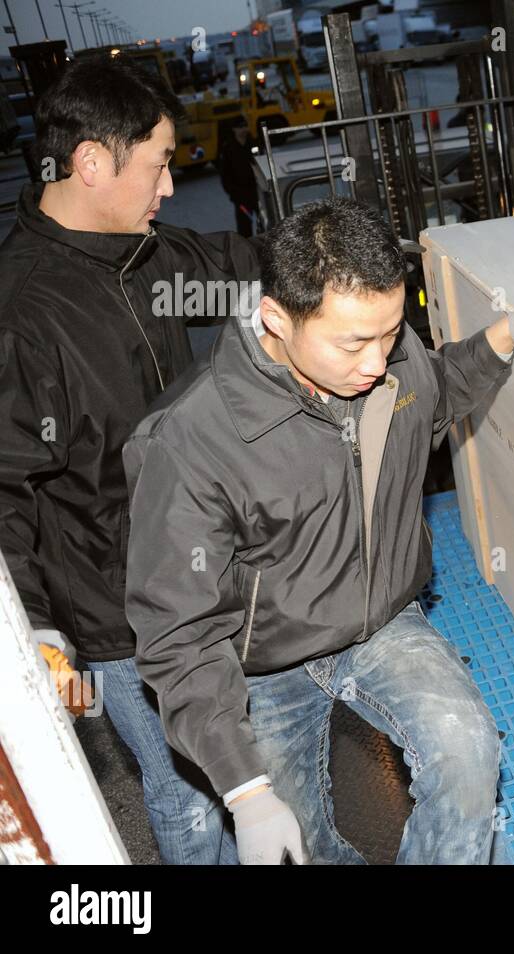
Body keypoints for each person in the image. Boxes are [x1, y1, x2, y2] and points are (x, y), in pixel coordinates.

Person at [123, 197, 514, 864]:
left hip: (382, 622)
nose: (379, 362)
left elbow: (431, 394)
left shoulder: (388, 356)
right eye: (354, 341)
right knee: (302, 843)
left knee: (467, 753)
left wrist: (503, 337)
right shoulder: (191, 441)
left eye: (390, 333)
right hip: (261, 665)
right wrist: (244, 791)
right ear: (276, 318)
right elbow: (176, 634)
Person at [0, 56, 260, 863]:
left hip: (197, 562)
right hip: (117, 615)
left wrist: (338, 261)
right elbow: (6, 488)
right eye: (157, 165)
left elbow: (229, 269)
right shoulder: (24, 316)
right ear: (90, 163)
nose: (171, 187)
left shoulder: (141, 252)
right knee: (186, 798)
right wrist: (36, 630)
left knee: (235, 761)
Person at [218, 118, 259, 238]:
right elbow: (225, 174)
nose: (243, 130)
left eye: (245, 126)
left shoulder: (253, 143)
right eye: (240, 127)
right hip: (240, 194)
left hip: (257, 191)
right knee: (244, 226)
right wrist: (233, 193)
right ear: (233, 129)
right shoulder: (228, 148)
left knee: (264, 221)